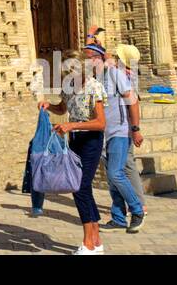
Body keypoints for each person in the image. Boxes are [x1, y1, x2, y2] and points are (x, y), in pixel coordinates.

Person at [39, 41, 107, 254]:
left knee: (79, 187)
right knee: (82, 187)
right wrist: (48, 105)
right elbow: (62, 108)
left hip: (91, 141)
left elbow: (100, 123)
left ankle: (88, 241)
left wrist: (72, 125)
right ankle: (95, 240)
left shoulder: (94, 87)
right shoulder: (68, 86)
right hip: (74, 141)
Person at [100, 44, 146, 233]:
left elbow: (132, 102)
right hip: (110, 131)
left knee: (116, 173)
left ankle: (137, 209)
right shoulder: (118, 72)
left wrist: (135, 129)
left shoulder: (120, 74)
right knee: (118, 174)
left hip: (121, 130)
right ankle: (118, 217)